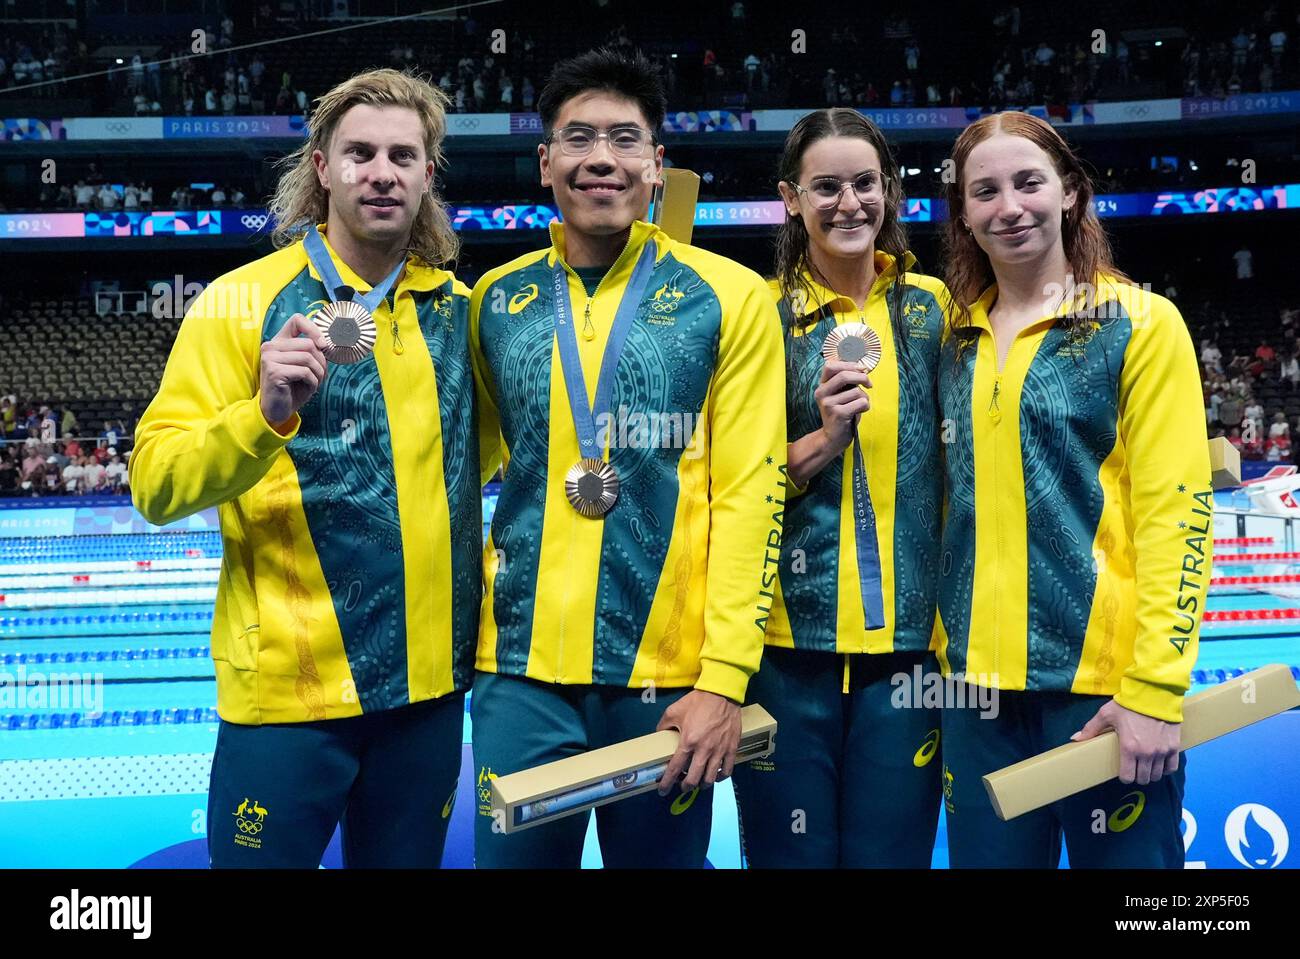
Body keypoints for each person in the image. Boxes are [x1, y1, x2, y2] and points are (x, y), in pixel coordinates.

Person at [131, 69, 478, 869]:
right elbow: (155, 481)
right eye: (359, 153)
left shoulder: (459, 312)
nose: (382, 172)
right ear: (321, 166)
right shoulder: (235, 303)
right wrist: (261, 413)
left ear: (429, 174)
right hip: (288, 699)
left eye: (403, 154)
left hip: (425, 698)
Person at [468, 47, 785, 868]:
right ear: (546, 163)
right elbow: (454, 469)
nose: (600, 158)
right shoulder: (496, 300)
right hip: (520, 676)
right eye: (577, 139)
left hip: (668, 679)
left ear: (656, 165)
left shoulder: (729, 296)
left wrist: (723, 679)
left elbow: (752, 493)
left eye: (624, 139)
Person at [937, 111, 1209, 867]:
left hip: (1104, 695)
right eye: (984, 191)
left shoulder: (1141, 325)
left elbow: (1178, 512)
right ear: (964, 213)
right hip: (973, 696)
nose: (1009, 206)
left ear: (1070, 193)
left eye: (1029, 182)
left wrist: (1154, 689)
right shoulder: (950, 336)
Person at [729, 108, 948, 868]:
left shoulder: (937, 313)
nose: (848, 203)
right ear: (792, 198)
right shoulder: (754, 316)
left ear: (889, 191)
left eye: (865, 183)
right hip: (785, 654)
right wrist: (822, 442)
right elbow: (722, 482)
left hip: (910, 657)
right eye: (826, 187)